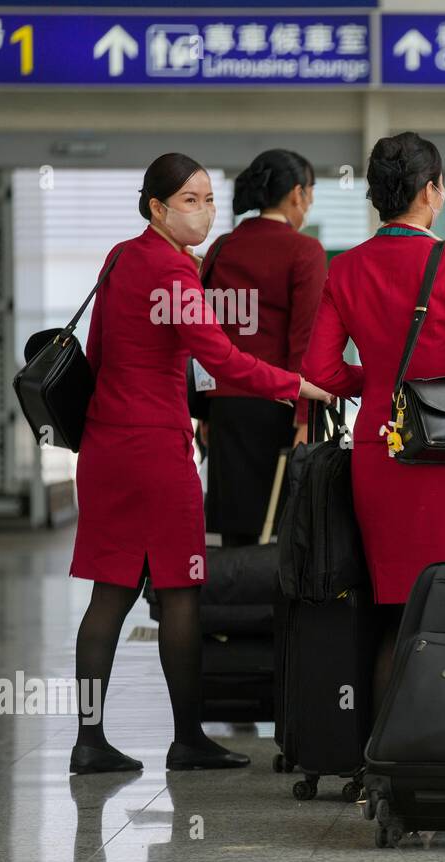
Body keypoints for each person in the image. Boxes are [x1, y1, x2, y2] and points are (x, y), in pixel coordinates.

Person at [68, 152, 333, 774]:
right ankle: (188, 737)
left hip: (106, 446)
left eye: (210, 199)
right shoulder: (175, 274)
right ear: (158, 208)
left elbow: (99, 351)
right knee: (182, 589)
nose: (206, 212)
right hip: (156, 452)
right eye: (190, 200)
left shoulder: (120, 258)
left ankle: (89, 738)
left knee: (110, 593)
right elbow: (225, 359)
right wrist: (298, 386)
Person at [302, 132, 445, 708]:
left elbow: (321, 370)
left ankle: (384, 753)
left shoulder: (347, 267)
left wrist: (379, 384)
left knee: (393, 608)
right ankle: (441, 744)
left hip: (379, 451)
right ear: (432, 191)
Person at [201, 148, 328, 545]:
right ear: (296, 193)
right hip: (281, 408)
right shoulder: (304, 251)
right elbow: (304, 342)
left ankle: (239, 605)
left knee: (238, 535)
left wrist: (204, 410)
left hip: (224, 407)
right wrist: (306, 420)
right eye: (309, 192)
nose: (308, 202)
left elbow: (206, 337)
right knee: (288, 534)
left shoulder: (221, 248)